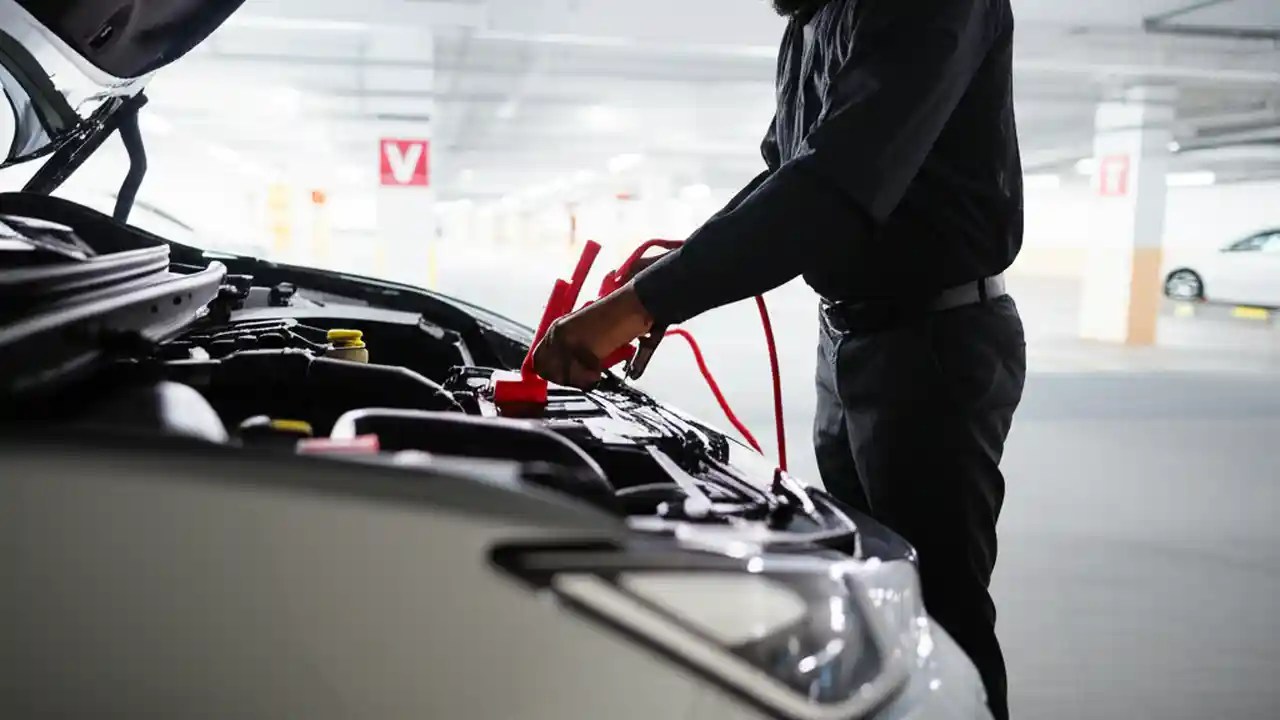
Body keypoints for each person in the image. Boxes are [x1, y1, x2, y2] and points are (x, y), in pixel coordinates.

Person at [531, 0, 1025, 717]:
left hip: (935, 349)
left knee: (939, 611)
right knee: (869, 586)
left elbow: (834, 189)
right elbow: (785, 175)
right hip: (854, 341)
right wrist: (664, 282)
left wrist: (643, 302)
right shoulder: (815, 19)